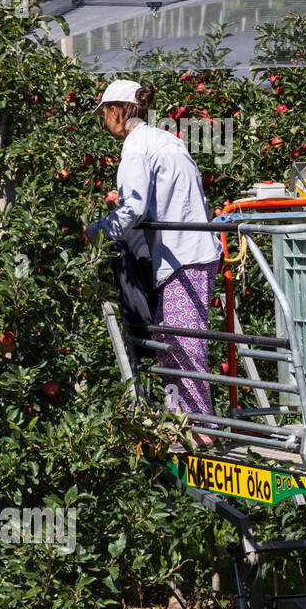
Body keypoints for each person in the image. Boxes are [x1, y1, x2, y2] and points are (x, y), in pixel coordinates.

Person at [85, 79, 221, 449]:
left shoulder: (136, 147)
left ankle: (200, 429)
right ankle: (181, 420)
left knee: (182, 341)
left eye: (104, 115)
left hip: (185, 254)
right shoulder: (164, 139)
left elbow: (132, 207)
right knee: (171, 337)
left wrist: (94, 232)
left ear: (117, 110)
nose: (104, 123)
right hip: (195, 250)